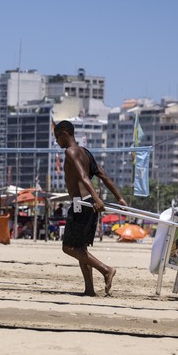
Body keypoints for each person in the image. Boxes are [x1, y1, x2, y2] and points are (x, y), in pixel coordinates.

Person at [53, 120, 127, 296]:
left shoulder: (71, 152)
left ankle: (106, 270)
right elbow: (103, 175)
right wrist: (119, 198)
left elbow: (84, 177)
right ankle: (89, 289)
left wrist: (97, 199)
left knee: (68, 247)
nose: (57, 141)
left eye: (57, 137)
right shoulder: (85, 152)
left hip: (82, 203)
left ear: (65, 133)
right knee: (81, 249)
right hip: (88, 203)